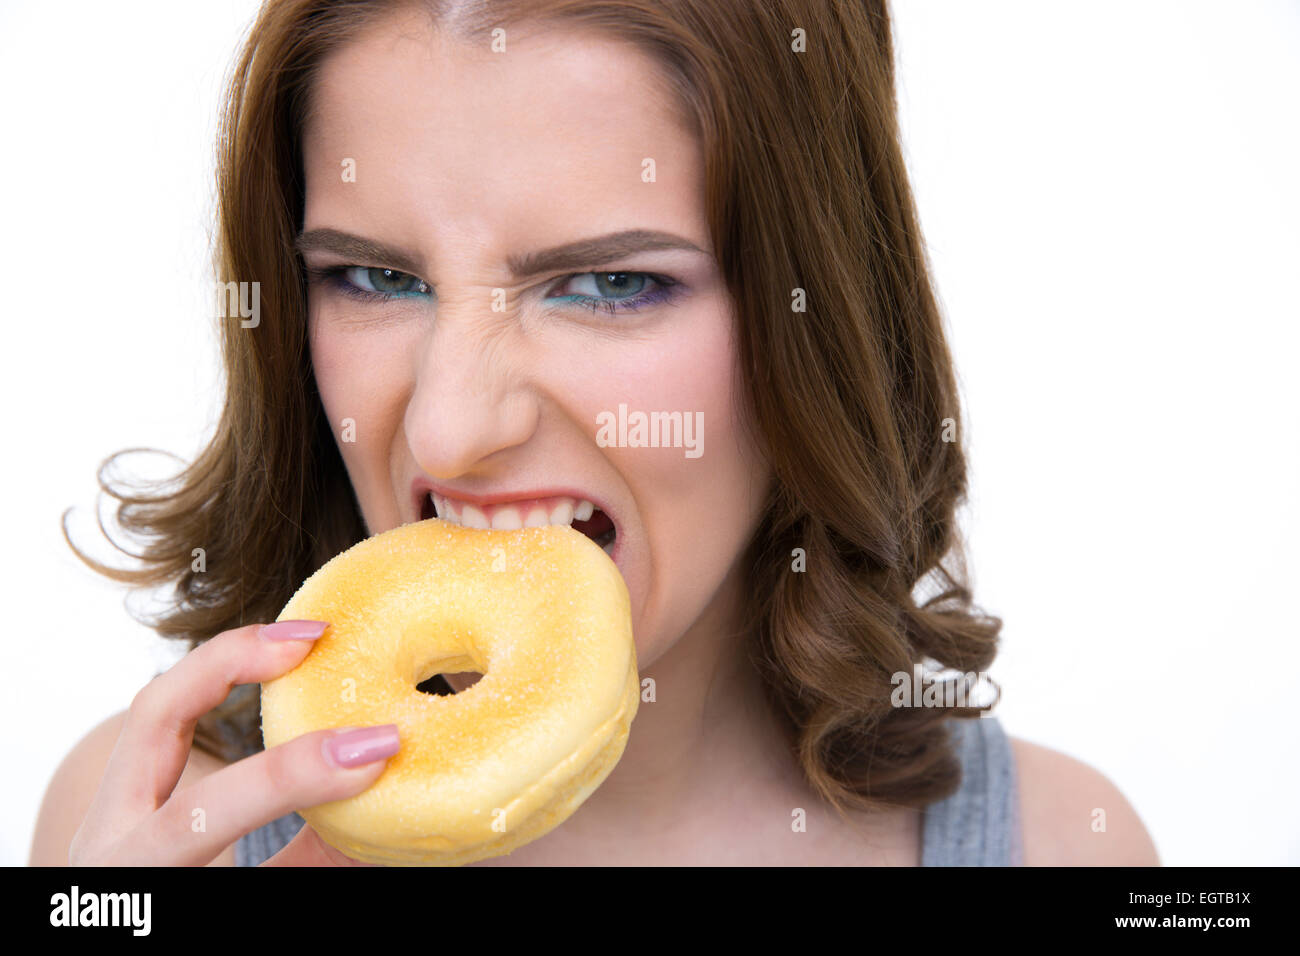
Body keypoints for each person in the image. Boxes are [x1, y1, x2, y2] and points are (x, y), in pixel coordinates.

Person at [31, 0, 1157, 866]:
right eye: (374, 276)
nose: (449, 424)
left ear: (812, 316)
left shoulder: (1062, 844)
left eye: (610, 282)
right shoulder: (151, 828)